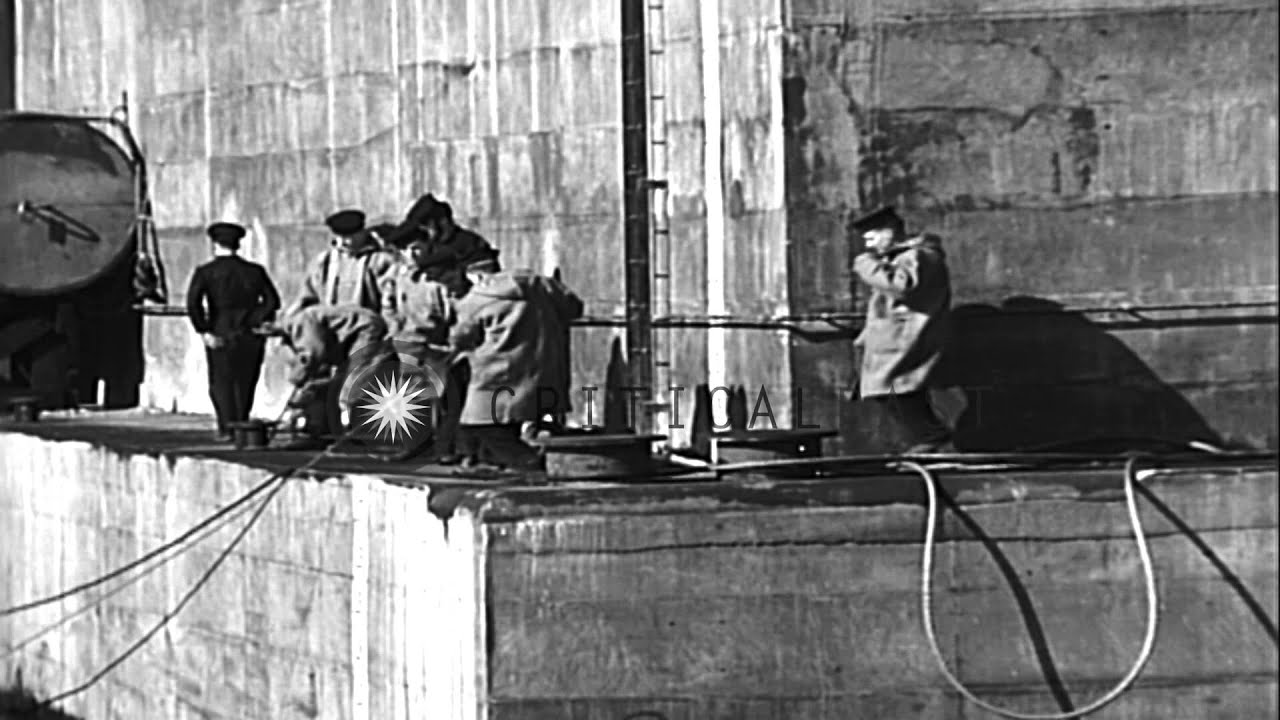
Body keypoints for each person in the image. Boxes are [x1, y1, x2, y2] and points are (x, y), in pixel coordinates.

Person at [448, 252, 584, 470]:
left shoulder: (476, 299)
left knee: (482, 423)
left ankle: (529, 462)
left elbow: (461, 337)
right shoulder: (541, 286)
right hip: (544, 364)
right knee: (524, 417)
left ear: (476, 276)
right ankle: (500, 461)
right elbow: (574, 308)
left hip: (496, 369)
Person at [849, 206, 955, 453]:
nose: (868, 242)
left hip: (907, 341)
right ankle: (930, 440)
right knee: (895, 392)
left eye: (872, 235)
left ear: (889, 231)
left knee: (895, 390)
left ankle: (932, 437)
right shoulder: (902, 257)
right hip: (895, 340)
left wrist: (866, 265)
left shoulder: (919, 256)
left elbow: (901, 286)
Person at [185, 222, 281, 440]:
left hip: (220, 330)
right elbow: (272, 301)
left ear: (215, 244)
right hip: (250, 333)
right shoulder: (254, 271)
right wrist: (255, 319)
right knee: (246, 380)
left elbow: (194, 303)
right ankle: (242, 424)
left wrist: (204, 330)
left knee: (221, 382)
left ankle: (227, 427)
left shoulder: (206, 272)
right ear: (238, 244)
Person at [275, 304, 399, 447]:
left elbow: (313, 354)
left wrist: (298, 381)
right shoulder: (291, 330)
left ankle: (359, 432)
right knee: (332, 383)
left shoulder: (301, 321)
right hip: (352, 336)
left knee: (354, 381)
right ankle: (324, 430)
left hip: (365, 329)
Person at [287, 209, 399, 316]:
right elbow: (306, 299)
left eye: (354, 236)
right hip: (331, 325)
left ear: (363, 232)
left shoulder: (381, 260)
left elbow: (390, 301)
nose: (349, 242)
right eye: (344, 237)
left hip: (367, 326)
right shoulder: (324, 262)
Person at [386, 194, 495, 292]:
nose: (423, 234)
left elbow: (482, 284)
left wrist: (435, 275)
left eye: (426, 227)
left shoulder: (472, 245)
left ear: (443, 222)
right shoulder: (430, 246)